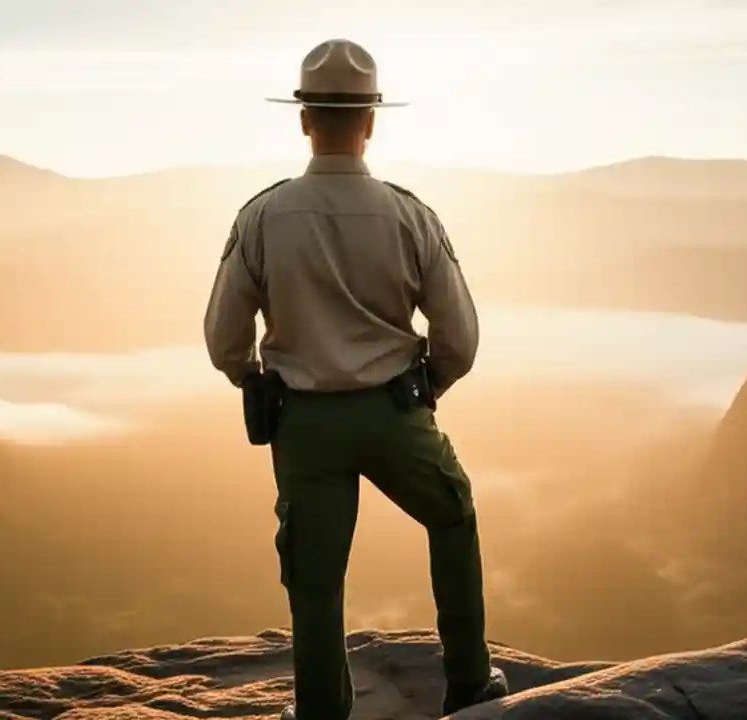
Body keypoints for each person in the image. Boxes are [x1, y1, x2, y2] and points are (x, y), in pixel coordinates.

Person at [203, 38, 507, 720]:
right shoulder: (411, 215)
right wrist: (427, 383)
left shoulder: (262, 216)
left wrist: (253, 376)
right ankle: (468, 684)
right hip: (396, 413)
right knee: (452, 517)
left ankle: (321, 711)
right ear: (371, 122)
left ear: (304, 120)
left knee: (314, 574)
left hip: (303, 423)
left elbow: (225, 338)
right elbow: (459, 338)